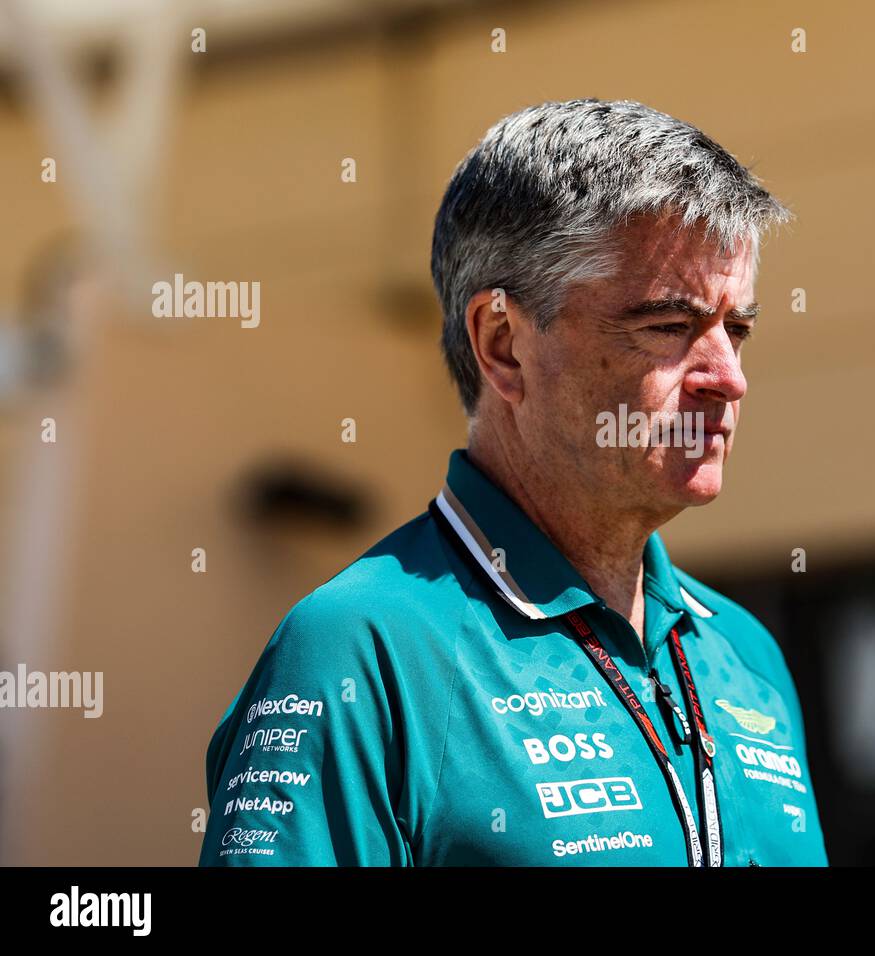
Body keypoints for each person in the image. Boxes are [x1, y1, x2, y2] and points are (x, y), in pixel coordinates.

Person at [199, 98, 828, 866]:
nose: (728, 379)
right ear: (502, 345)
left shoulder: (746, 655)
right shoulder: (356, 652)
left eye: (737, 331)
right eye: (668, 327)